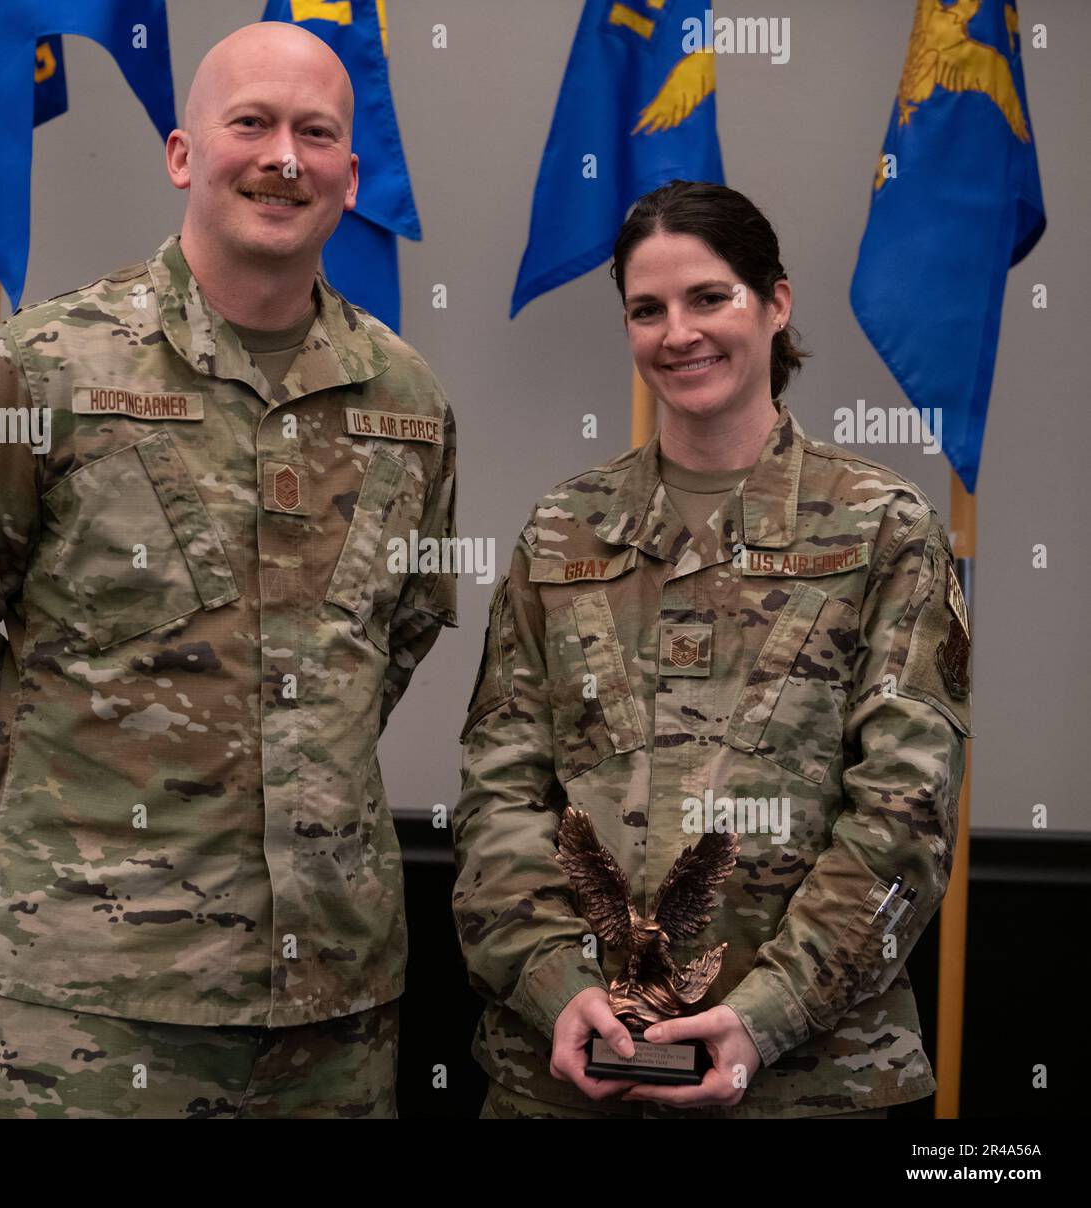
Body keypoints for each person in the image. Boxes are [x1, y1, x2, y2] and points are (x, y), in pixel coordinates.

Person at [0, 22, 457, 1119]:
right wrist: (32, 843)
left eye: (315, 132)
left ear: (349, 174)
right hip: (85, 1007)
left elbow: (391, 638)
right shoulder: (36, 371)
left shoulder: (405, 402)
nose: (283, 156)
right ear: (185, 153)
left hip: (331, 1008)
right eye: (252, 123)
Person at [453, 180, 972, 1119]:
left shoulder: (885, 528)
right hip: (567, 1078)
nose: (677, 332)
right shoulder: (565, 531)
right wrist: (552, 989)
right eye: (646, 310)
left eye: (709, 297)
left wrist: (764, 1017)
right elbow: (501, 794)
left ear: (775, 303)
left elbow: (906, 815)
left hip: (809, 1082)